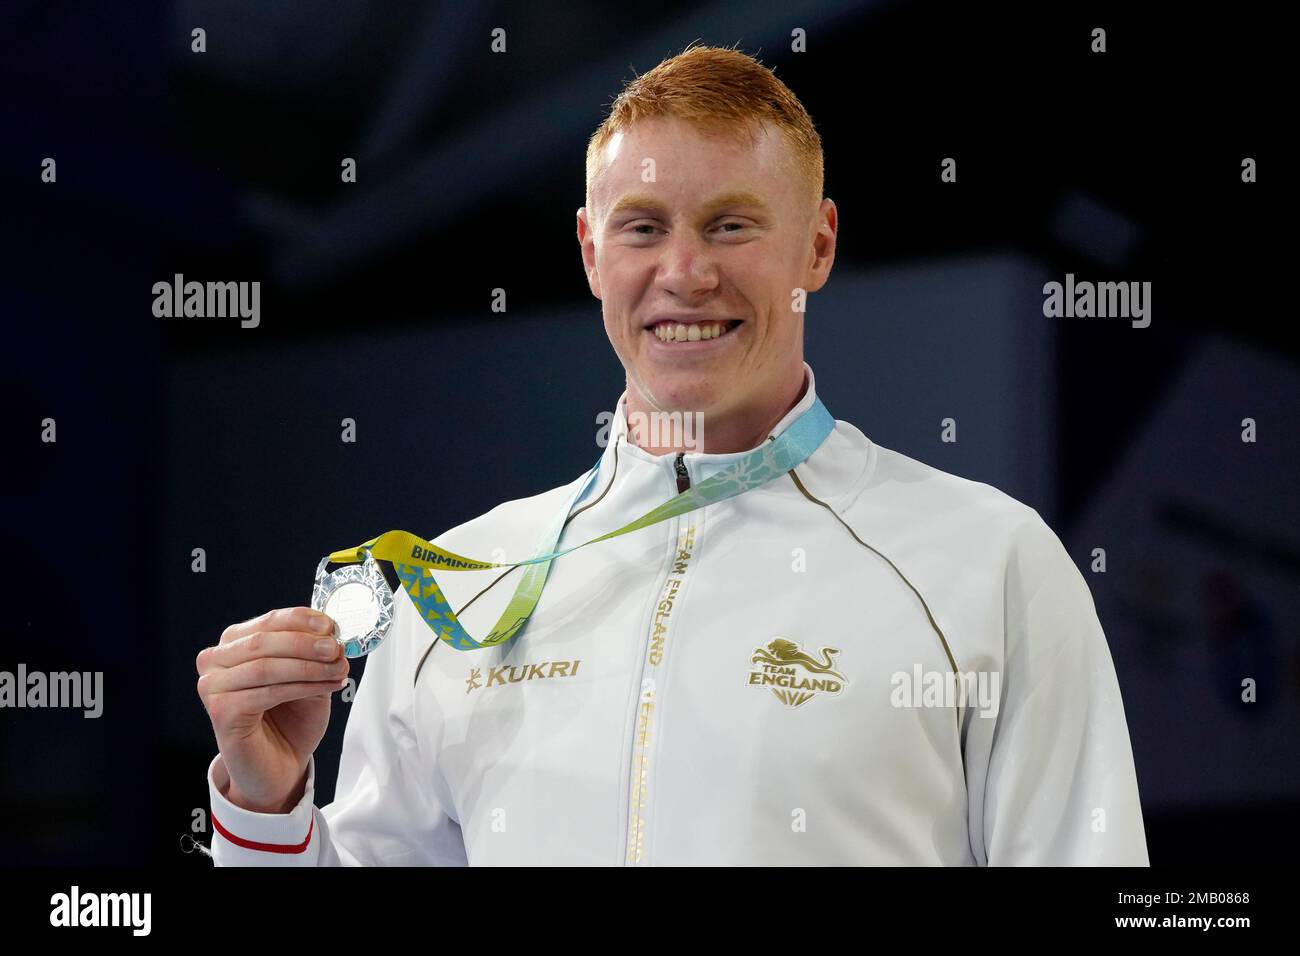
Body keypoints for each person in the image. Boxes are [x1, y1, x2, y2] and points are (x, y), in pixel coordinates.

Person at [195, 44, 1148, 865]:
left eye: (731, 225)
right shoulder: (466, 581)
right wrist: (268, 806)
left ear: (817, 247)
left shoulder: (988, 563)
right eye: (643, 227)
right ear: (590, 252)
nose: (685, 274)